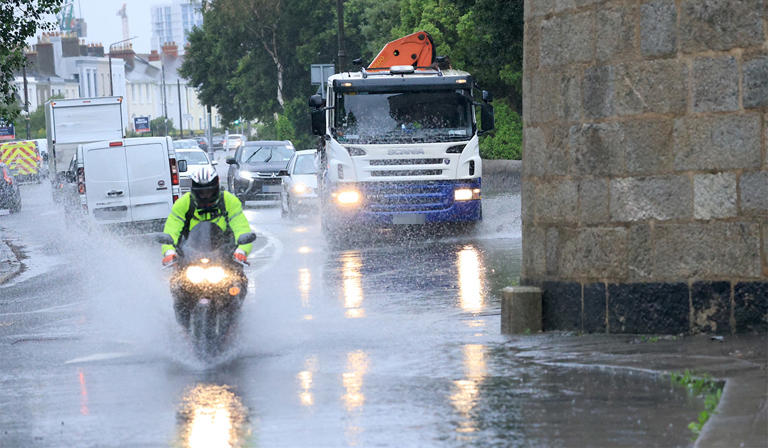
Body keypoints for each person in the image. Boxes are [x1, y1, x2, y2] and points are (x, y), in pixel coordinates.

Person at [161, 167, 253, 265]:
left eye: (209, 192)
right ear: (194, 191)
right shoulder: (183, 203)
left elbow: (241, 226)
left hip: (226, 253)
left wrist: (241, 250)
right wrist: (169, 251)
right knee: (176, 272)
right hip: (189, 255)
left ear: (216, 189)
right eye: (201, 193)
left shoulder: (229, 201)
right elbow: (172, 228)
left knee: (238, 271)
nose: (205, 196)